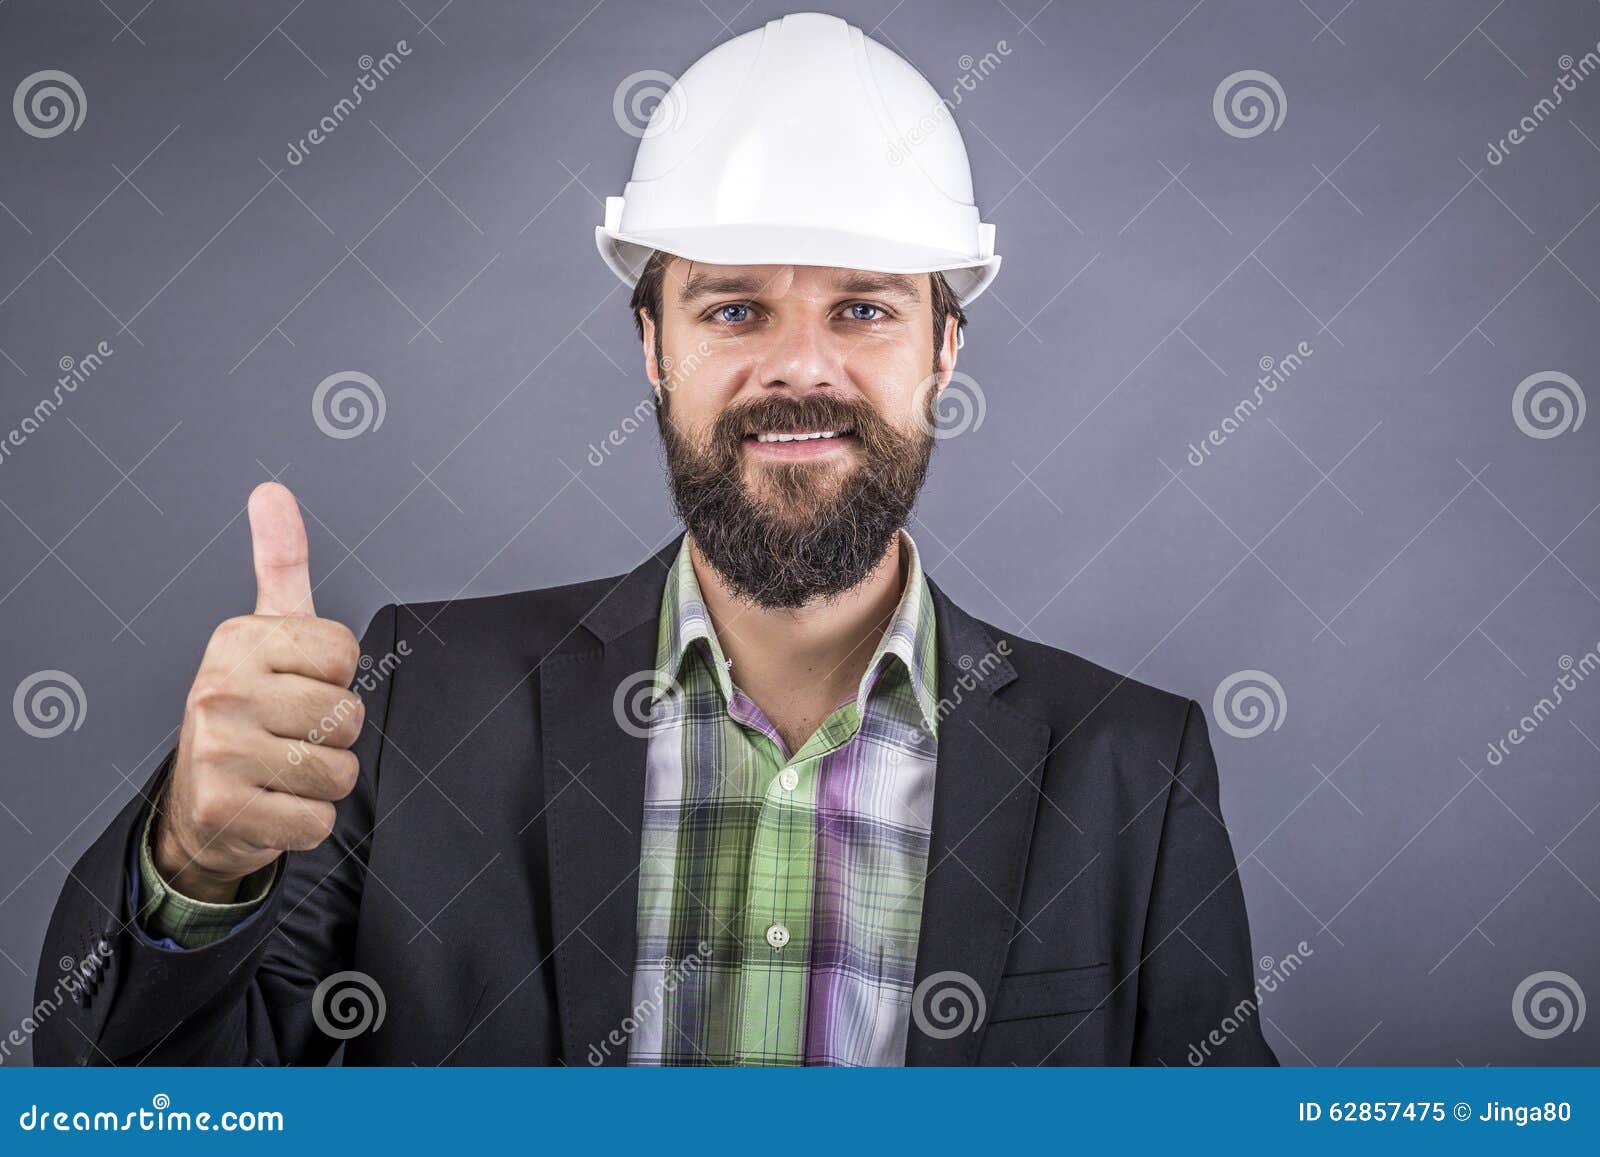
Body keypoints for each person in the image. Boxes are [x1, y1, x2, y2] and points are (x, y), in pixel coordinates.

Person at [35, 11, 1275, 1067]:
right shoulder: (419, 704)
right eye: (734, 306)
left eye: (863, 308)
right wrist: (197, 863)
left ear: (942, 350)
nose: (800, 364)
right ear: (652, 344)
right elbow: (138, 1104)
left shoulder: (1128, 768)